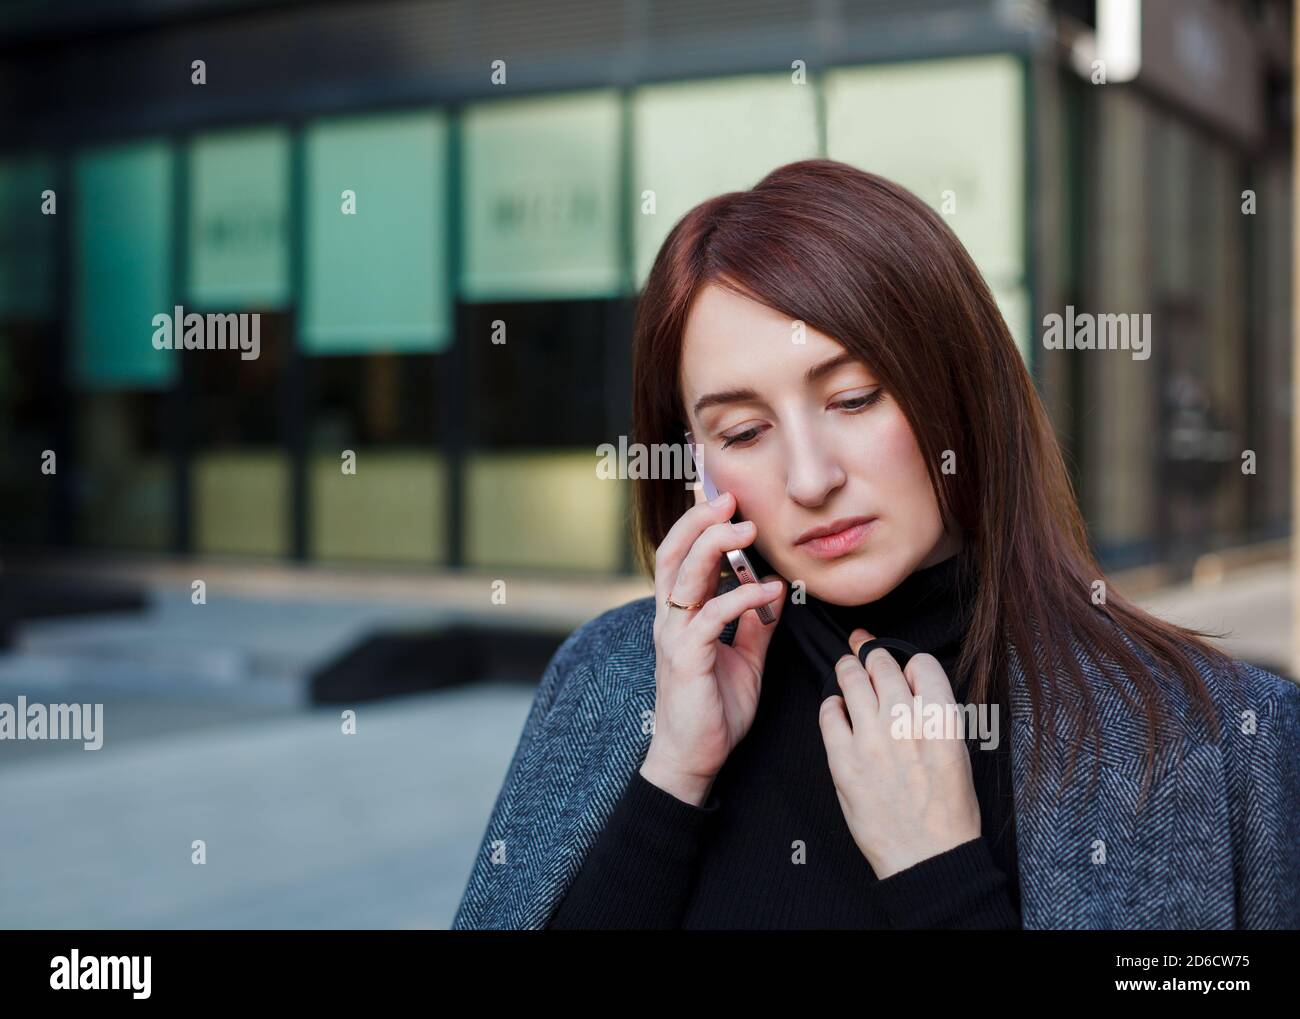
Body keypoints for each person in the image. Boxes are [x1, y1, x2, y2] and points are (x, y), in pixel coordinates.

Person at [452, 159, 1300, 930]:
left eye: (854, 398)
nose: (811, 476)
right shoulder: (609, 681)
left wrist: (940, 874)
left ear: (958, 385)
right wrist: (670, 776)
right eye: (744, 431)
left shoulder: (1219, 737)